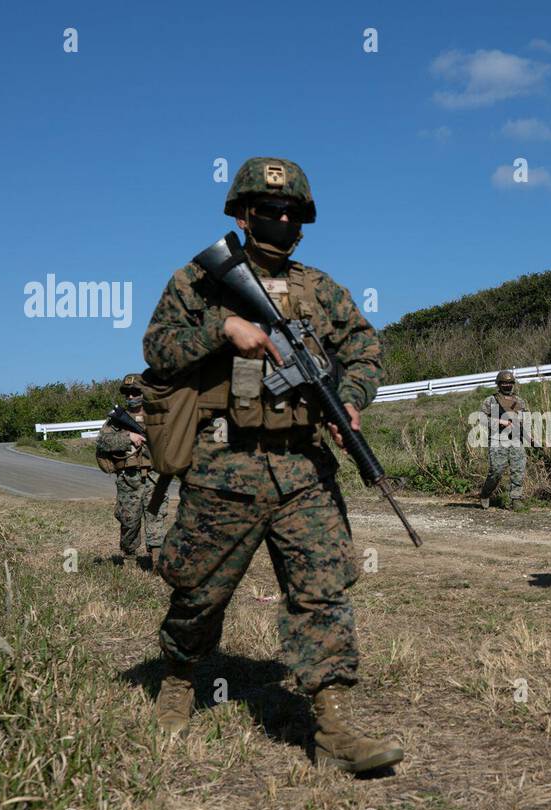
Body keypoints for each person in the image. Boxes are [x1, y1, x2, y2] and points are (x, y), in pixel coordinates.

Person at [141, 157, 403, 774]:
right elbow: (157, 348)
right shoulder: (199, 281)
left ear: (303, 222)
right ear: (241, 213)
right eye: (267, 210)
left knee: (322, 592)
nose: (279, 219)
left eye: (290, 213)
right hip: (224, 465)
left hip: (305, 469)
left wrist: (352, 402)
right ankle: (179, 680)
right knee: (199, 593)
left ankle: (334, 727)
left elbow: (366, 351)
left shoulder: (321, 289)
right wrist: (223, 327)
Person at [94, 373, 167, 570]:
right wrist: (128, 437)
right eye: (128, 393)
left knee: (156, 516)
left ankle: (156, 560)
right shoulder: (118, 420)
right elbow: (102, 441)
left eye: (135, 392)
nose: (131, 396)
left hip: (154, 476)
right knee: (129, 519)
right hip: (129, 478)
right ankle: (129, 558)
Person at [479, 370, 528, 509]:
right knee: (496, 470)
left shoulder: (519, 401)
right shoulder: (490, 400)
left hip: (515, 438)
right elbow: (482, 418)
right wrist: (500, 421)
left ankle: (516, 499)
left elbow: (525, 418)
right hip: (497, 439)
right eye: (504, 383)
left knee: (518, 469)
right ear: (499, 384)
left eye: (510, 383)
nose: (507, 385)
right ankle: (485, 494)